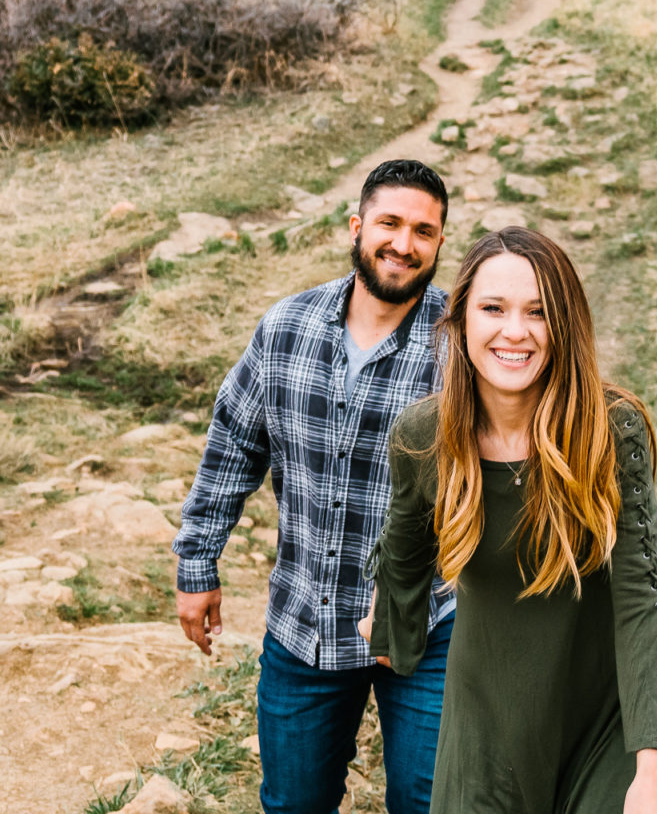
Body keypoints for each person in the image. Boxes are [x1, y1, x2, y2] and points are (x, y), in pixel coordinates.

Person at [364, 227, 657, 814]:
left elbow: (642, 602)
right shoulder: (425, 435)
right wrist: (391, 625)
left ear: (564, 326)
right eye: (493, 308)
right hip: (486, 729)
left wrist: (651, 773)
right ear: (462, 317)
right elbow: (403, 551)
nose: (514, 331)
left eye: (539, 313)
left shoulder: (611, 432)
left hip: (602, 729)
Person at [172, 159, 457, 814]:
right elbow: (233, 447)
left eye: (423, 230)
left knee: (433, 802)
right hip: (305, 619)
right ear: (356, 226)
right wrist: (196, 566)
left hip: (427, 625)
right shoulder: (286, 327)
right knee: (294, 803)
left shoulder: (461, 343)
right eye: (389, 223)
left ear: (439, 243)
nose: (403, 244)